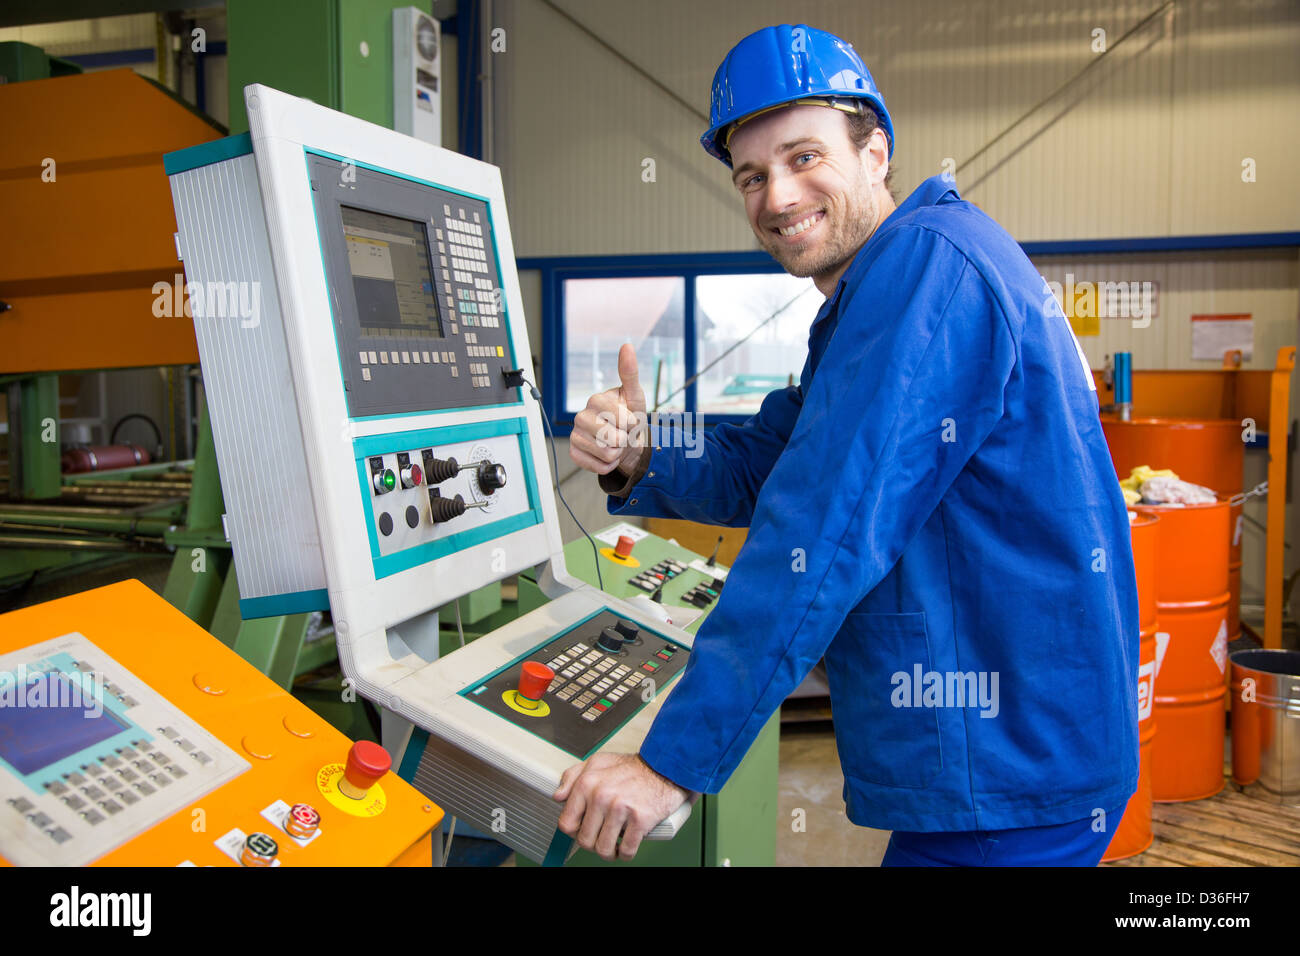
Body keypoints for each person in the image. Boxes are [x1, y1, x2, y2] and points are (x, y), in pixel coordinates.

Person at [554, 23, 1138, 866]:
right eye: (752, 176)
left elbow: (821, 522)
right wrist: (642, 454)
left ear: (876, 152)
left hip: (1007, 768)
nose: (778, 197)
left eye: (804, 157)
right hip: (1003, 759)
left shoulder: (927, 268)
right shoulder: (879, 291)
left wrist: (669, 761)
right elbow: (769, 461)